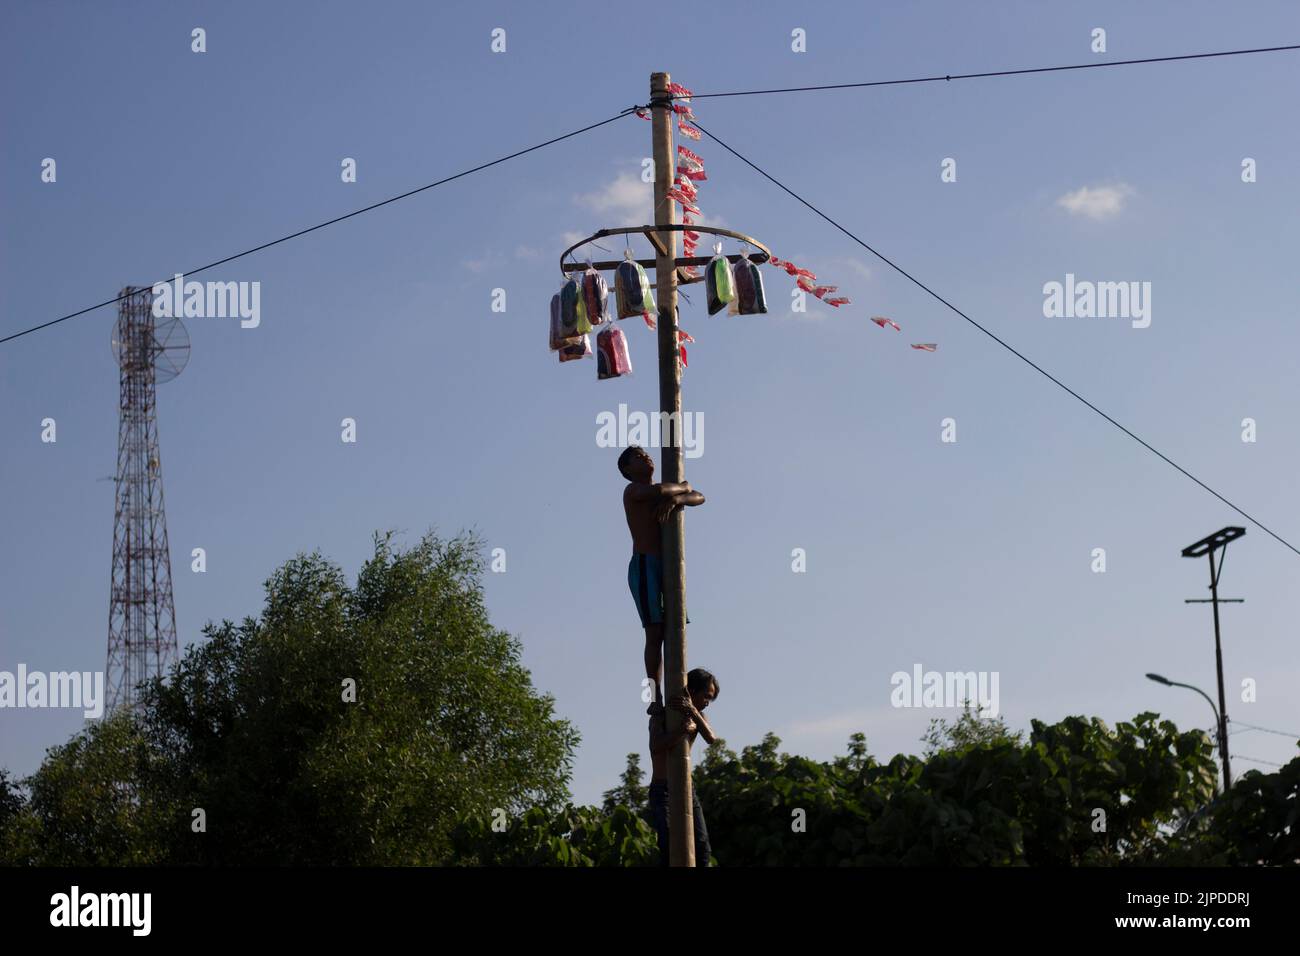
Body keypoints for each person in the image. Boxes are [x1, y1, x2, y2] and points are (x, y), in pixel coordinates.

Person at [619, 445, 704, 705]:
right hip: (645, 566)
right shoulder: (634, 491)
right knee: (654, 633)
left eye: (646, 453)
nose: (645, 457)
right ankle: (655, 698)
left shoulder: (663, 493)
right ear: (627, 470)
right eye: (638, 457)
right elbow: (662, 490)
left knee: (674, 629)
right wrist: (683, 487)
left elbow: (699, 496)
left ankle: (678, 690)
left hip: (668, 568)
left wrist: (679, 498)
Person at [647, 667, 719, 866]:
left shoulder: (698, 716)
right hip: (663, 791)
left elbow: (712, 738)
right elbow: (656, 746)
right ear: (692, 691)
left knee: (702, 846)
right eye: (706, 696)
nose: (707, 702)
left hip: (687, 789)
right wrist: (681, 731)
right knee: (669, 845)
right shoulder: (661, 714)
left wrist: (692, 710)